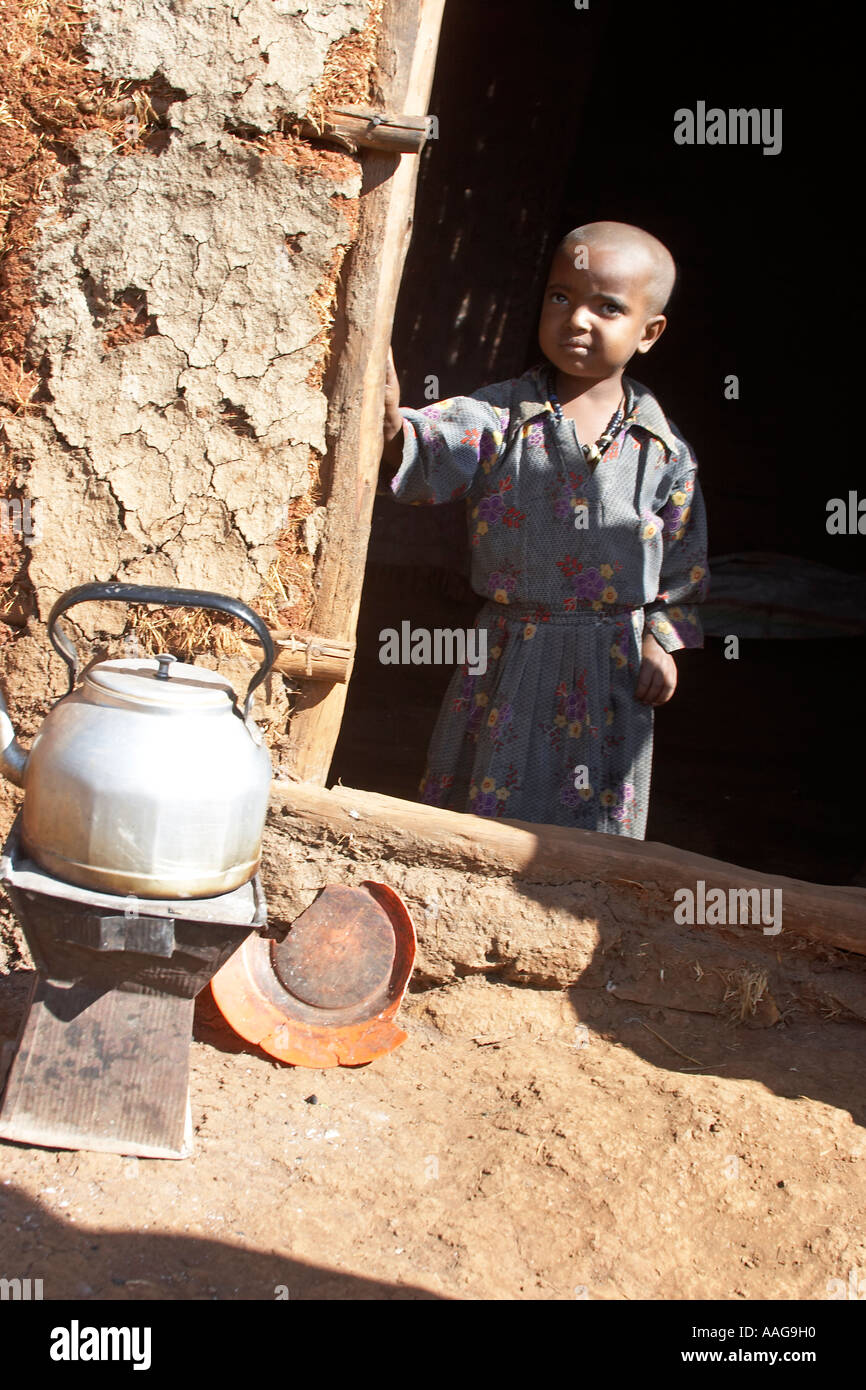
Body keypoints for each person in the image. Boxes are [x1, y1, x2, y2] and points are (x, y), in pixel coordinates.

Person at [380, 221, 709, 839]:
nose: (577, 319)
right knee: (486, 801)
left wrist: (660, 642)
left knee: (591, 819)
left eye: (607, 307)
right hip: (510, 646)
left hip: (609, 657)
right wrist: (395, 426)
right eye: (561, 297)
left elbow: (684, 560)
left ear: (649, 332)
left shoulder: (662, 449)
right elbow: (437, 442)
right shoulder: (502, 415)